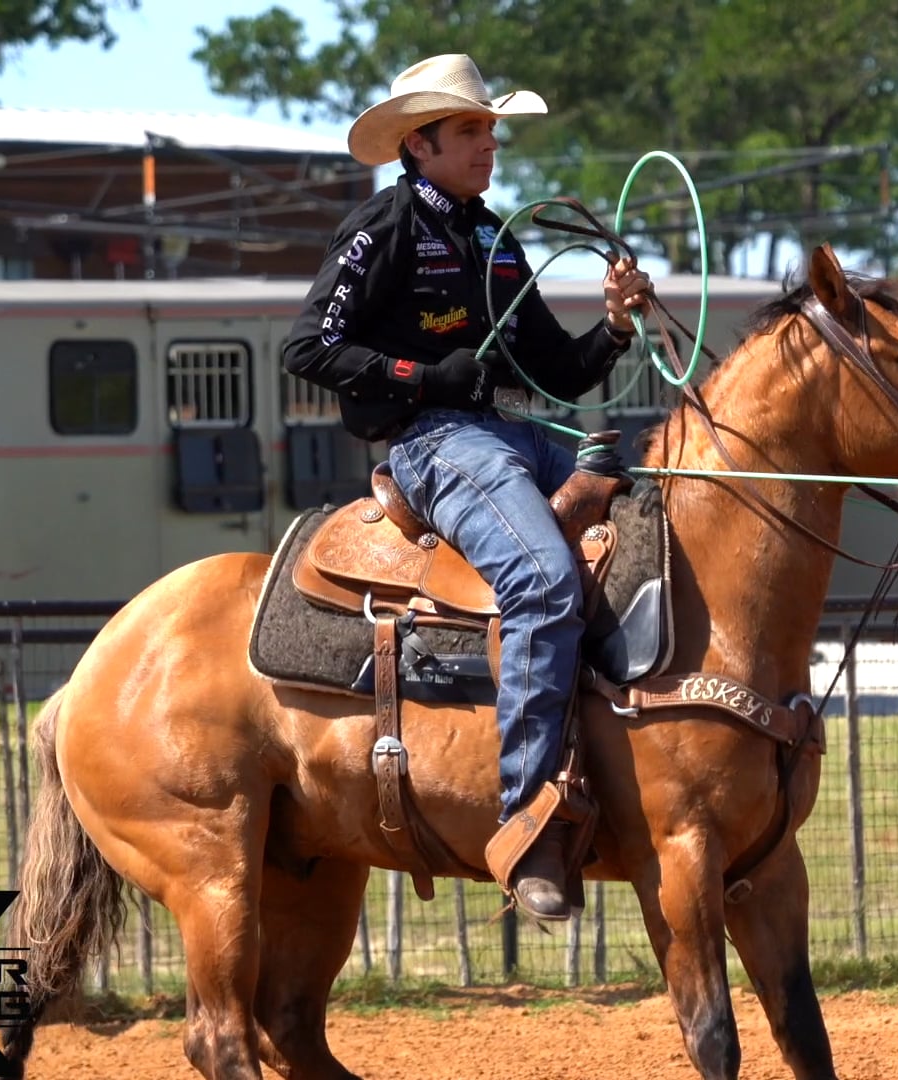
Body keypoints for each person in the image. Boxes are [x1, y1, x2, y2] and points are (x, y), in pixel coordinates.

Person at [282, 54, 651, 920]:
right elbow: (307, 349)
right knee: (541, 578)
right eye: (473, 130)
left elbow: (556, 367)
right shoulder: (380, 230)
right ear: (421, 143)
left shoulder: (494, 234)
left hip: (520, 433)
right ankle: (529, 819)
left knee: (650, 525)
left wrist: (616, 327)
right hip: (432, 441)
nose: (490, 144)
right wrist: (424, 374)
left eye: (491, 129)